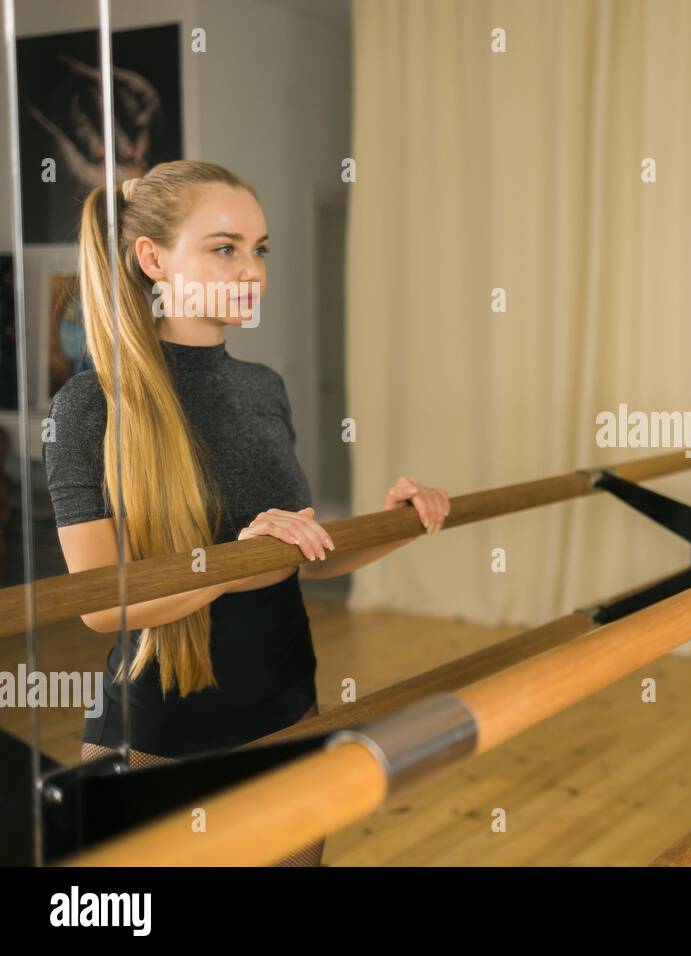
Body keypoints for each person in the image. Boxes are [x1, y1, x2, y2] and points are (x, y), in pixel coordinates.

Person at [44, 160, 452, 867]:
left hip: (287, 698)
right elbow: (100, 606)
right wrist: (234, 562)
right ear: (153, 259)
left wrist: (396, 523)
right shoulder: (90, 406)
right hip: (163, 724)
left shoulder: (264, 388)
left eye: (259, 249)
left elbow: (300, 551)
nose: (251, 270)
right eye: (224, 247)